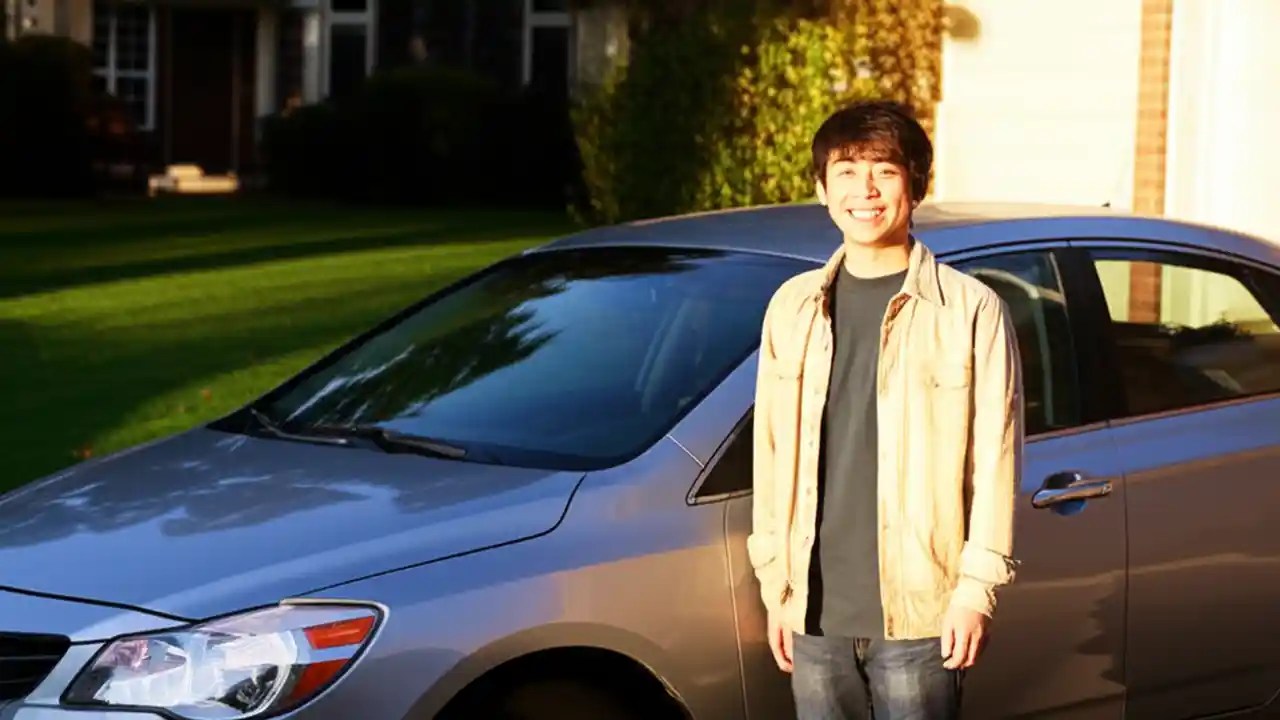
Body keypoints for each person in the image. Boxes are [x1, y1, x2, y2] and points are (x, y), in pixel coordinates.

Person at [747, 100, 1024, 719]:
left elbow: (995, 463)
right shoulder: (791, 308)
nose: (864, 191)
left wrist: (975, 593)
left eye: (884, 171)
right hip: (813, 618)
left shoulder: (970, 311)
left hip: (922, 616)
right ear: (822, 189)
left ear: (915, 186)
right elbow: (768, 457)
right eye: (845, 171)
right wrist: (776, 590)